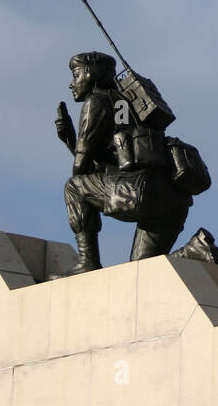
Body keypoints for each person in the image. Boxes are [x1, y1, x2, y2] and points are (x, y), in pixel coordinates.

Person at [56, 51, 192, 274]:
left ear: (90, 75)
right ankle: (196, 251)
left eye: (76, 75)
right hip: (173, 198)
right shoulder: (133, 102)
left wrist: (74, 143)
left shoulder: (97, 101)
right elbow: (116, 158)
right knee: (140, 271)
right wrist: (70, 139)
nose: (72, 84)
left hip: (140, 191)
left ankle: (87, 261)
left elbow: (81, 168)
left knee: (73, 188)